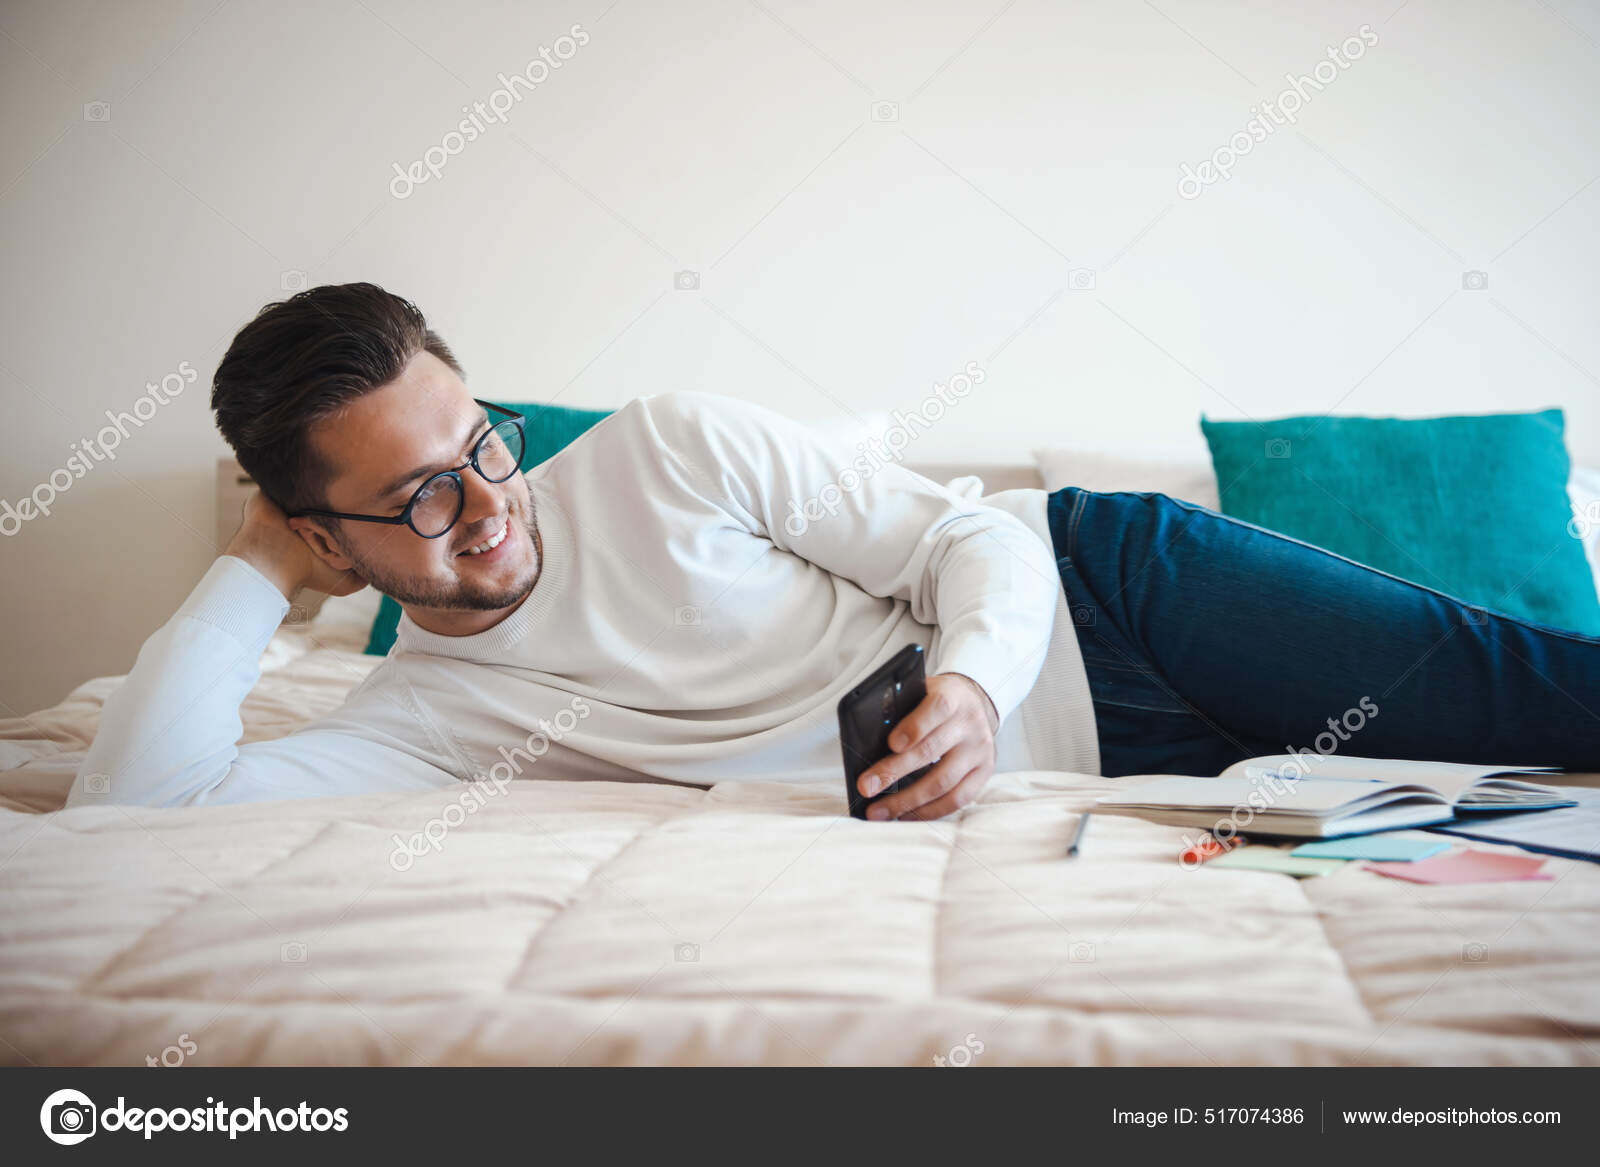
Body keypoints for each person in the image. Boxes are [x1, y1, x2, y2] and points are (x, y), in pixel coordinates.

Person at [66, 283, 1600, 819]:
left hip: (1108, 600)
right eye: (416, 502)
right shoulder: (418, 727)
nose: (486, 506)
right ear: (328, 538)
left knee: (1533, 696)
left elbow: (957, 541)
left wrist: (983, 696)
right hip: (1113, 777)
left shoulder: (666, 445)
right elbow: (132, 806)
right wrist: (258, 569)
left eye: (481, 443)